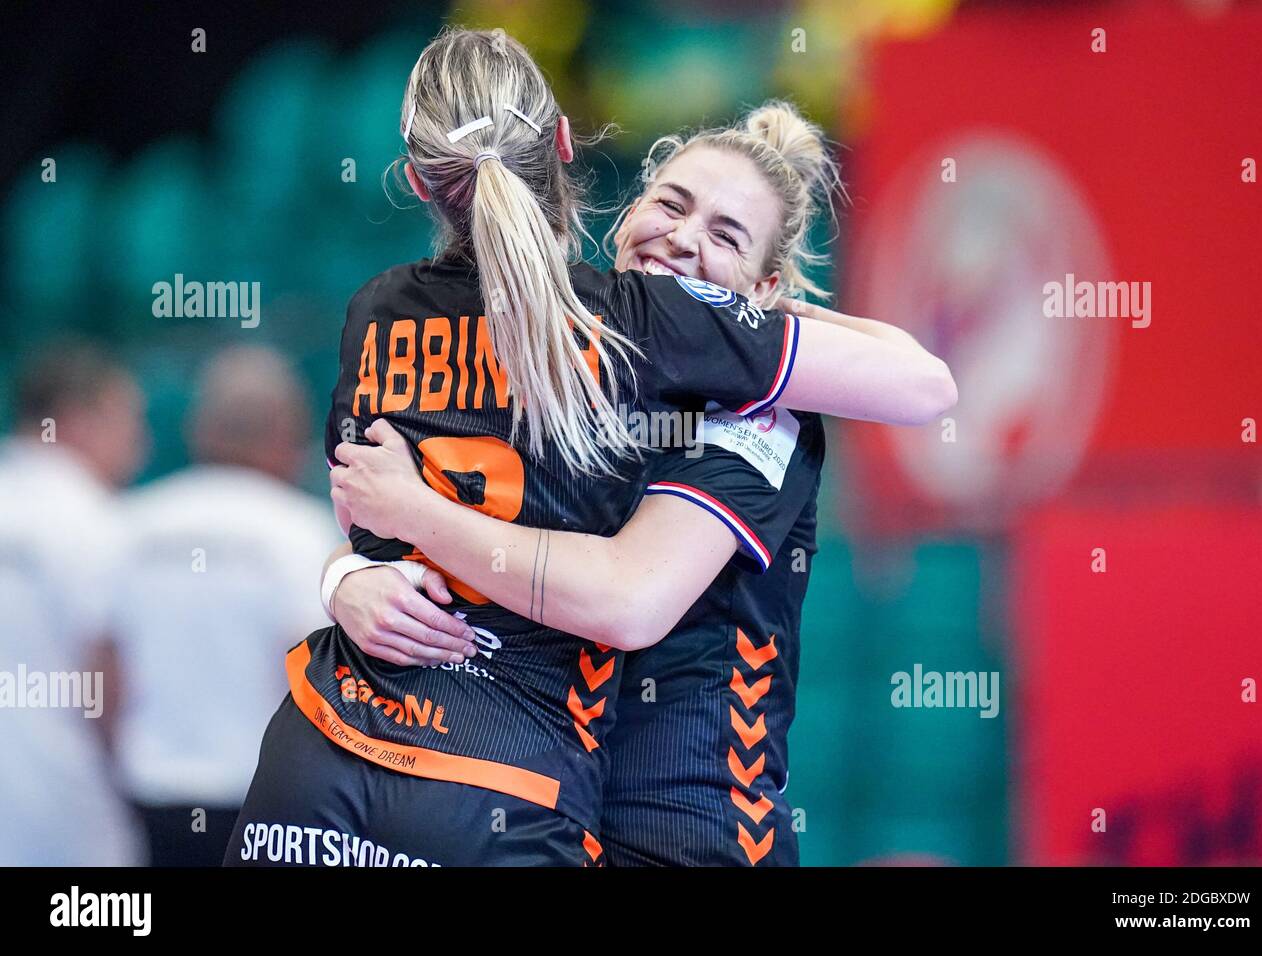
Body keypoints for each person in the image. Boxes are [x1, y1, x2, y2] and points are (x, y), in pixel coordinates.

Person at [227, 27, 954, 868]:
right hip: (542, 790)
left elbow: (625, 599)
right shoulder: (599, 343)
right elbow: (383, 505)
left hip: (681, 826)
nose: (685, 239)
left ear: (762, 298)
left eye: (726, 237)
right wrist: (347, 574)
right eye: (672, 206)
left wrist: (415, 515)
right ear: (624, 203)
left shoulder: (753, 412)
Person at [112, 345, 339, 865]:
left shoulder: (131, 525)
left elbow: (104, 666)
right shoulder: (300, 533)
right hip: (263, 804)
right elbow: (315, 676)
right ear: (289, 433)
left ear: (199, 429)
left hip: (150, 797)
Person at [0, 341, 147, 866]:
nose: (142, 441)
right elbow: (105, 678)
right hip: (69, 815)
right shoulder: (95, 522)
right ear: (80, 419)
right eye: (130, 417)